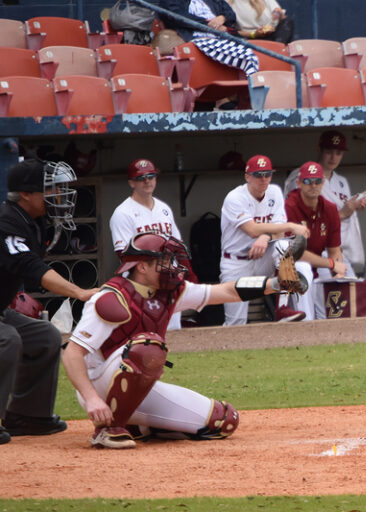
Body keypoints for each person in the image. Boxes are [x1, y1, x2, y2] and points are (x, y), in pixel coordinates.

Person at [60, 231, 306, 449]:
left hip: (137, 385)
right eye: (163, 261)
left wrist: (275, 284)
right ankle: (107, 430)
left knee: (224, 420)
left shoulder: (170, 292)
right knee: (147, 347)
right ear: (142, 266)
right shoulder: (111, 297)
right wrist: (91, 398)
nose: (171, 266)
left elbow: (225, 291)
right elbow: (72, 354)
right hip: (98, 385)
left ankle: (140, 425)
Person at [0, 158, 100, 445]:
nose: (57, 195)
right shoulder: (7, 222)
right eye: (50, 190)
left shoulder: (33, 221)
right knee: (7, 339)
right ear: (25, 194)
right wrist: (80, 293)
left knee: (44, 336)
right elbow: (34, 270)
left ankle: (26, 416)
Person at [219, 155, 311, 324]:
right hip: (236, 262)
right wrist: (290, 225)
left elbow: (277, 232)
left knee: (285, 248)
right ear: (247, 177)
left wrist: (264, 237)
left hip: (262, 258)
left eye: (267, 174)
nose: (263, 179)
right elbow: (252, 229)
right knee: (235, 323)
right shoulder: (235, 197)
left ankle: (283, 308)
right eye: (258, 174)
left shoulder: (274, 191)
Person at [109, 158, 188, 330]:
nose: (147, 181)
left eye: (151, 176)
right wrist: (150, 276)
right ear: (131, 183)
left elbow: (177, 244)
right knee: (143, 332)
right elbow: (124, 255)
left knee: (173, 332)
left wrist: (179, 271)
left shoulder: (163, 208)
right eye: (141, 177)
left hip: (169, 279)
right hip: (140, 284)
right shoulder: (122, 213)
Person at [284, 131, 366, 275]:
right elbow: (303, 220)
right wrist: (343, 213)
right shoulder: (301, 178)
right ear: (320, 150)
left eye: (338, 153)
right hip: (314, 252)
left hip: (339, 250)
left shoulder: (341, 181)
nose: (333, 157)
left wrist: (354, 206)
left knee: (347, 291)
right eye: (329, 152)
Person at [284, 161, 346, 320]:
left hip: (317, 267)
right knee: (302, 267)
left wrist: (338, 272)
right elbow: (295, 253)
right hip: (287, 268)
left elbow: (334, 250)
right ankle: (306, 323)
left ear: (323, 182)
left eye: (317, 181)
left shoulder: (330, 209)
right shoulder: (289, 206)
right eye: (307, 181)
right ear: (298, 183)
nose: (313, 185)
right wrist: (331, 264)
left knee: (346, 276)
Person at [228, 0, 294, 43]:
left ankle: (278, 52)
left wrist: (277, 13)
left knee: (287, 22)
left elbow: (279, 12)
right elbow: (231, 31)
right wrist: (254, 34)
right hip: (251, 38)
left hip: (273, 34)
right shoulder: (227, 3)